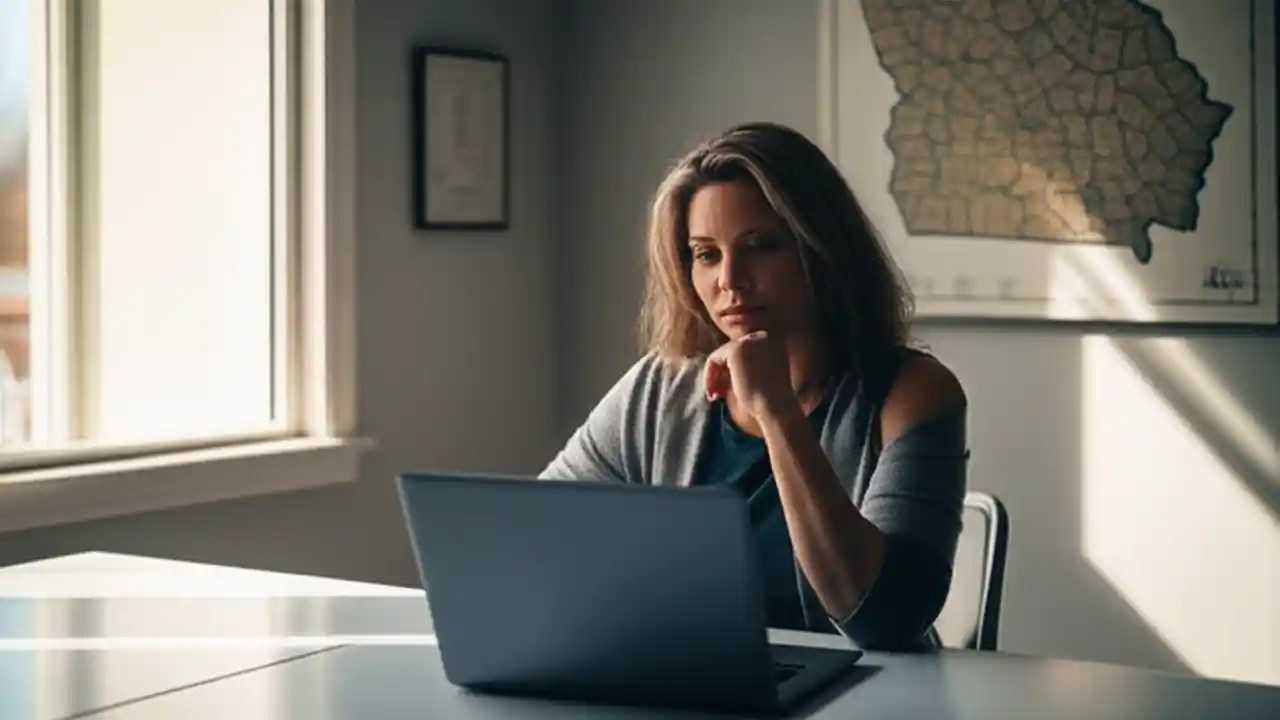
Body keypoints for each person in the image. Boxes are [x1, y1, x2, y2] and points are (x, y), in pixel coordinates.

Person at [540, 122, 968, 651]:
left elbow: (881, 619)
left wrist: (778, 411)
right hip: (691, 683)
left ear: (821, 248)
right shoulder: (663, 384)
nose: (730, 280)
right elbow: (544, 536)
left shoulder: (913, 394)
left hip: (864, 693)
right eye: (706, 254)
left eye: (762, 246)